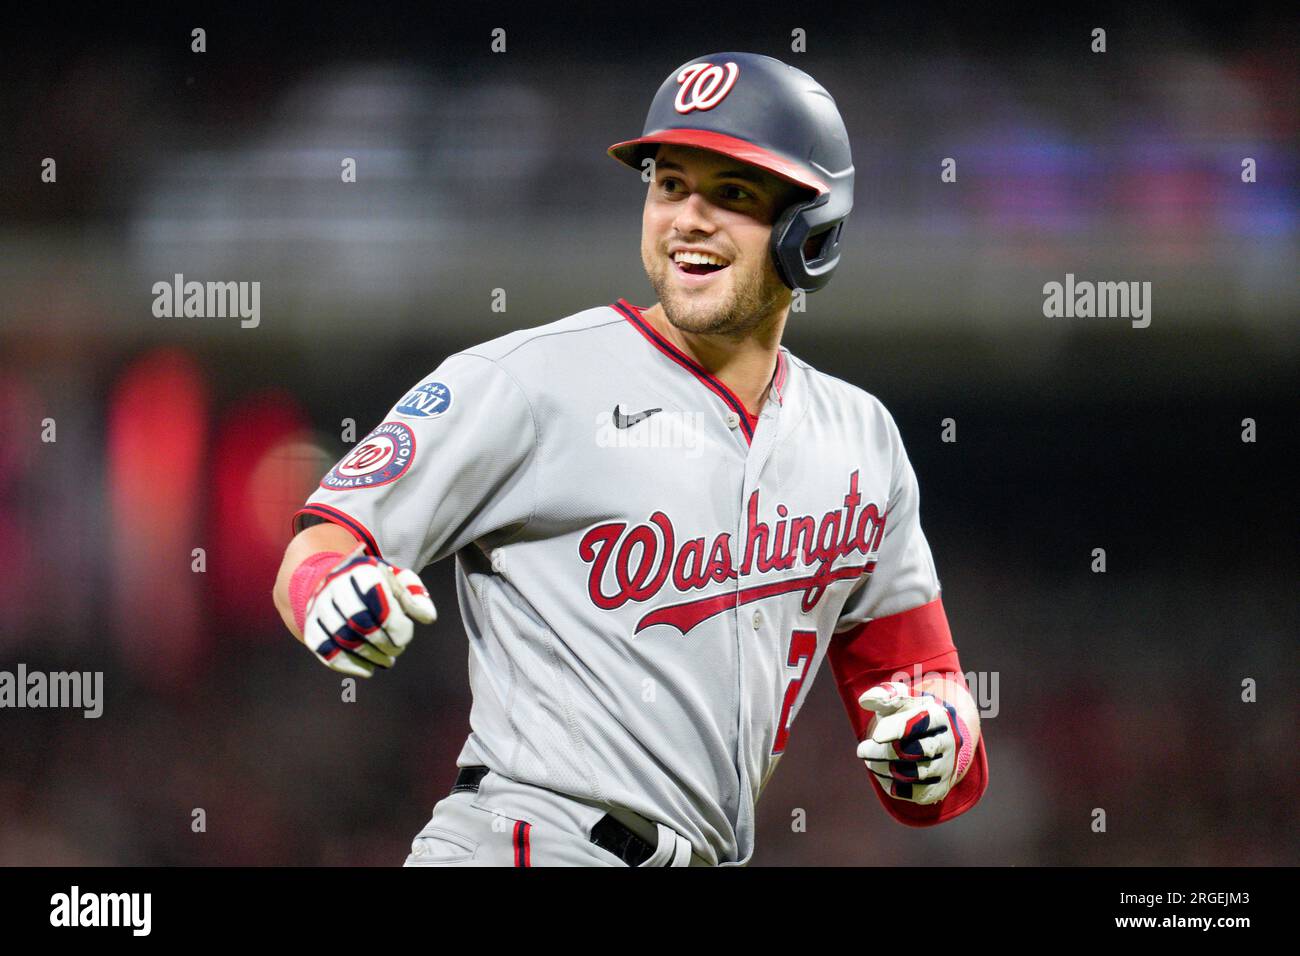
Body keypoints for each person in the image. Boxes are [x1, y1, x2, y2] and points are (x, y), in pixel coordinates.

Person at [272, 52, 988, 867]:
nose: (688, 219)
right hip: (529, 844)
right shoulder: (526, 382)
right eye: (670, 185)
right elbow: (326, 539)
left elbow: (922, 684)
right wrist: (331, 588)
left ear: (811, 232)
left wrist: (938, 734)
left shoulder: (861, 438)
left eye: (733, 194)